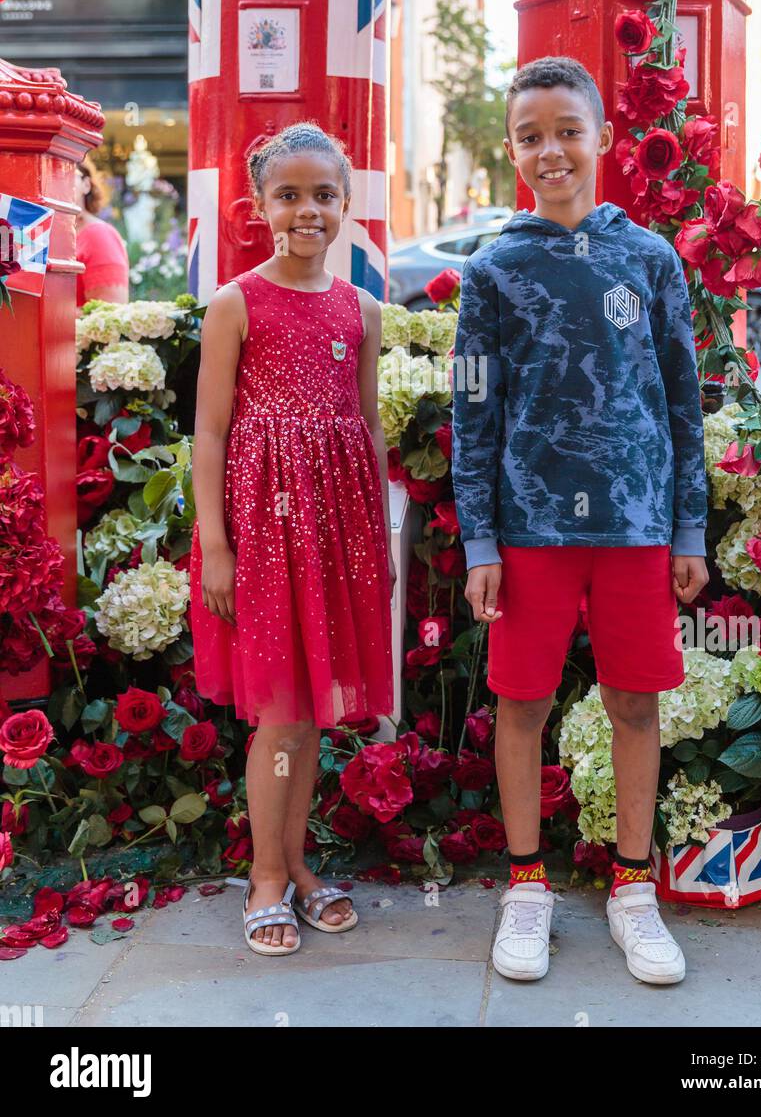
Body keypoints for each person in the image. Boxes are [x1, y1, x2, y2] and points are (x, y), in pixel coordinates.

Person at [451, 56, 709, 986]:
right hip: (529, 531)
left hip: (638, 527)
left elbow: (684, 400)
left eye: (567, 129)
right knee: (521, 703)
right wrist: (481, 538)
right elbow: (472, 411)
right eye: (530, 136)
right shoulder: (491, 271)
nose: (550, 150)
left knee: (636, 702)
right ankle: (527, 887)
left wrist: (688, 528)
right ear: (513, 149)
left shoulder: (651, 260)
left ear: (603, 137)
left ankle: (633, 890)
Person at [189, 122, 396, 956]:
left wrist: (377, 540)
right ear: (259, 205)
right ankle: (267, 879)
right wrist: (216, 545)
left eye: (324, 195)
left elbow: (370, 427)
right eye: (289, 195)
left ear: (345, 205)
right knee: (277, 718)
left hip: (338, 535)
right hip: (265, 539)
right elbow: (210, 433)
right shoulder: (234, 304)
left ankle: (296, 864)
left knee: (310, 717)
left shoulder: (365, 310)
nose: (307, 210)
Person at [73, 154, 129, 307]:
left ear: (86, 185)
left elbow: (107, 315)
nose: (59, 179)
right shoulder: (40, 232)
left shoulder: (98, 235)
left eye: (69, 172)